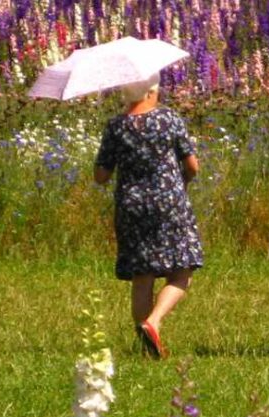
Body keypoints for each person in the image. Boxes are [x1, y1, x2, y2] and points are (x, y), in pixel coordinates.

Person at [94, 72, 203, 359]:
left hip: (131, 206)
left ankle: (146, 351)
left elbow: (101, 175)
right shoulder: (169, 119)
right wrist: (182, 181)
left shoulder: (116, 126)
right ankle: (153, 322)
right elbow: (192, 166)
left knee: (142, 276)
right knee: (183, 270)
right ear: (150, 92)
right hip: (169, 202)